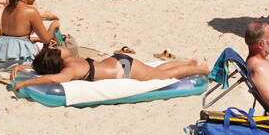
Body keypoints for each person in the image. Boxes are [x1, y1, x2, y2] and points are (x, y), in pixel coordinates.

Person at [12, 40, 210, 92]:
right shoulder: (67, 57)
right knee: (157, 71)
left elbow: (55, 79)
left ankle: (201, 69)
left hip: (123, 68)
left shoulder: (68, 70)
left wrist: (27, 82)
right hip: (119, 61)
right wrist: (26, 67)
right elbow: (49, 58)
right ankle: (189, 63)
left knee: (162, 77)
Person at [0, 0, 58, 71]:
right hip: (18, 62)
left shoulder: (7, 9)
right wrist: (53, 26)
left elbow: (11, 36)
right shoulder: (31, 11)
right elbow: (46, 39)